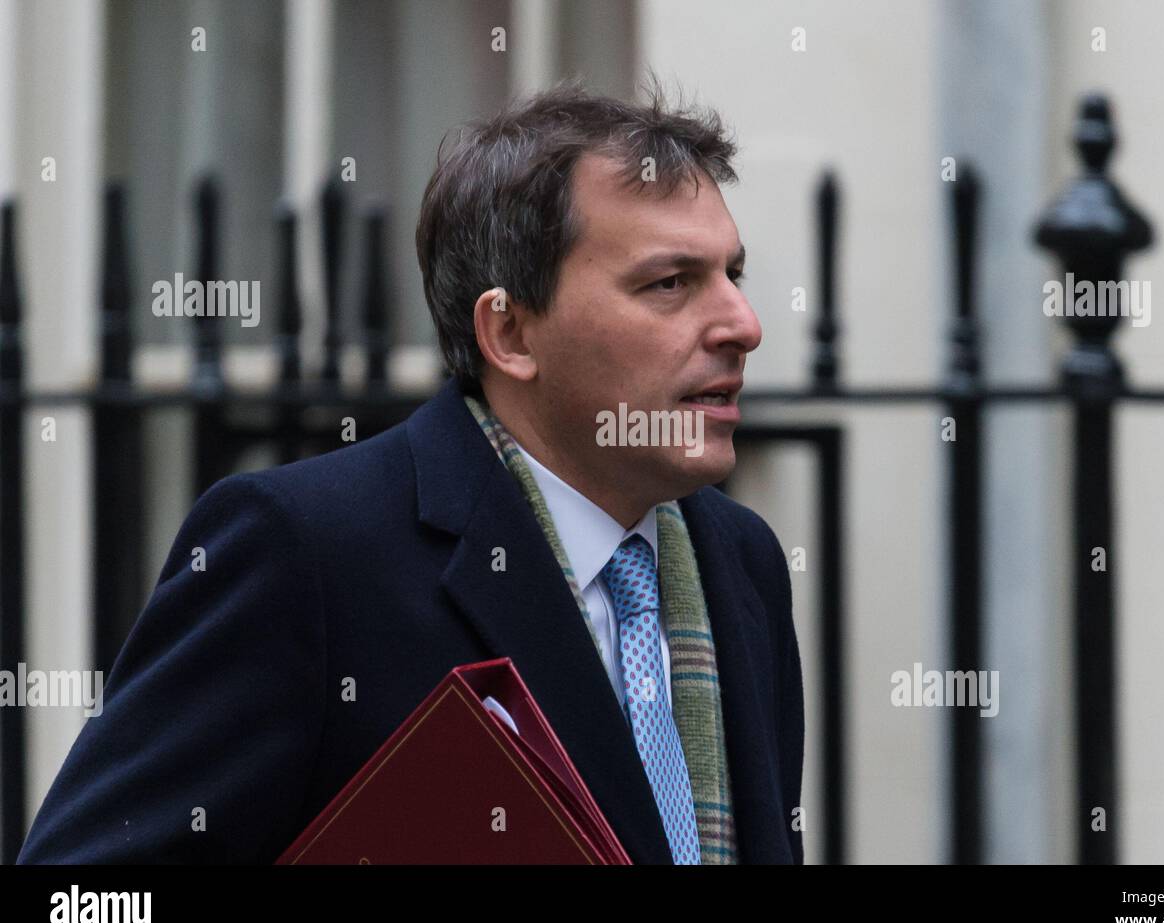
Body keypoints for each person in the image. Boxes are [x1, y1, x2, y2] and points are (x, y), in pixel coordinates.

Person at [17, 75, 805, 865]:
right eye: (670, 283)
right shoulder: (307, 551)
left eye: (730, 275)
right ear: (510, 333)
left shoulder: (742, 562)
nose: (743, 324)